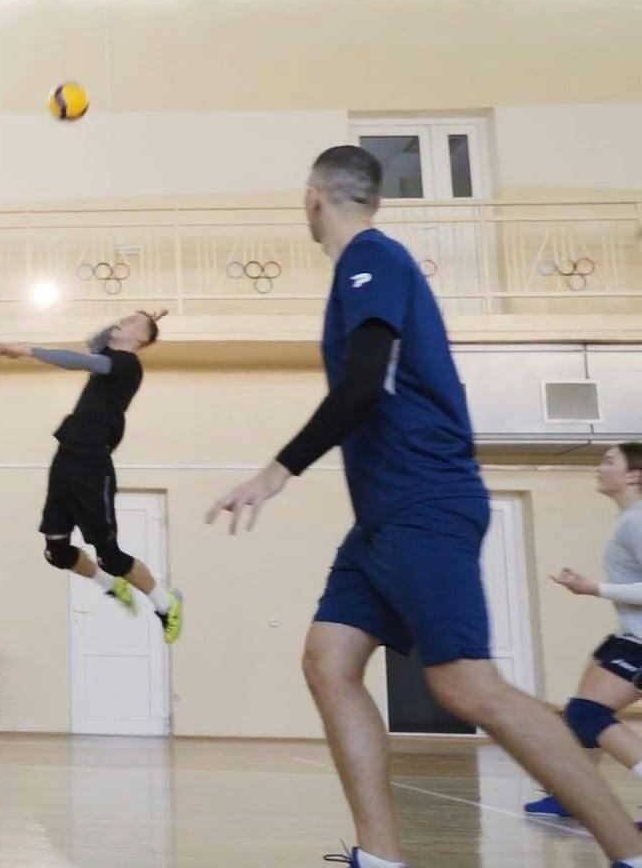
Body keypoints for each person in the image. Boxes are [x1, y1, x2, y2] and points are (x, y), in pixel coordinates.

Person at [207, 145, 642, 868]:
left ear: (315, 196)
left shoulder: (372, 259)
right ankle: (379, 856)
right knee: (328, 660)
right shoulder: (370, 266)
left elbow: (365, 382)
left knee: (466, 685)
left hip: (424, 502)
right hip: (381, 519)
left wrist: (278, 471)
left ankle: (628, 848)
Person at [0, 311, 183, 641]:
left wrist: (26, 350)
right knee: (57, 552)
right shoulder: (110, 352)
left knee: (110, 556)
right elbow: (95, 341)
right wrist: (141, 318)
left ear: (140, 339)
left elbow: (78, 360)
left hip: (92, 463)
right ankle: (112, 587)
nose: (118, 322)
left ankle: (165, 604)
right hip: (67, 454)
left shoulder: (127, 364)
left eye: (128, 322)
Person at [525, 442, 642, 819]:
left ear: (633, 475)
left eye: (609, 461)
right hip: (629, 637)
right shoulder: (628, 519)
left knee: (587, 714)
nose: (599, 467)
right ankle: (573, 796)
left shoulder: (638, 521)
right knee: (583, 705)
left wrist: (594, 588)